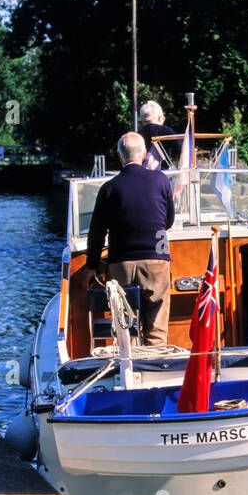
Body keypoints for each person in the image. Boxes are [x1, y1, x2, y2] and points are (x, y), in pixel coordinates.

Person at [86, 132, 177, 346]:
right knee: (156, 323)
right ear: (145, 154)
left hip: (121, 263)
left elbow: (97, 231)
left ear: (120, 156)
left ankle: (130, 366)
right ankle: (155, 362)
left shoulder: (109, 188)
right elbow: (168, 221)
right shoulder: (161, 180)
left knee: (127, 325)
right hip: (156, 257)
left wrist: (91, 266)